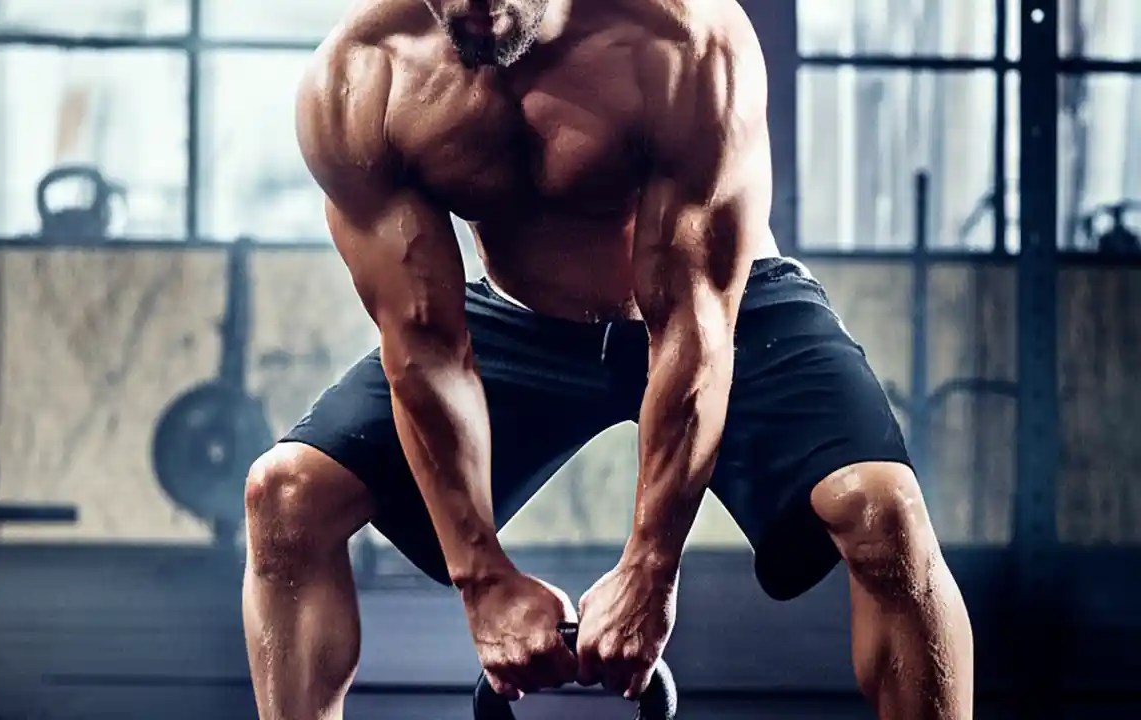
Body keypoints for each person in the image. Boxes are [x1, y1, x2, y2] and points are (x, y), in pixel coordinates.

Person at [242, 0, 975, 718]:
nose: (473, 6)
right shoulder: (363, 76)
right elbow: (426, 345)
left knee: (883, 513)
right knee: (286, 498)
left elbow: (694, 329)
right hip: (519, 314)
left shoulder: (682, 39)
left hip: (725, 304)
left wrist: (650, 571)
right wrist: (483, 581)